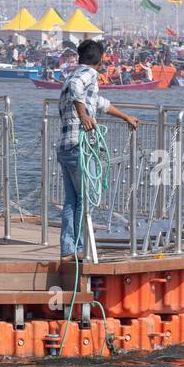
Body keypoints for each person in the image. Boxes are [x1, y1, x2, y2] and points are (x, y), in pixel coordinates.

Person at [56, 39, 138, 265]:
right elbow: (76, 88)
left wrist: (126, 117)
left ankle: (67, 250)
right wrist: (83, 115)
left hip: (66, 147)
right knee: (87, 198)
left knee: (72, 200)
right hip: (79, 146)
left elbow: (100, 103)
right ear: (100, 60)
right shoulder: (87, 74)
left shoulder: (76, 75)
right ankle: (82, 249)